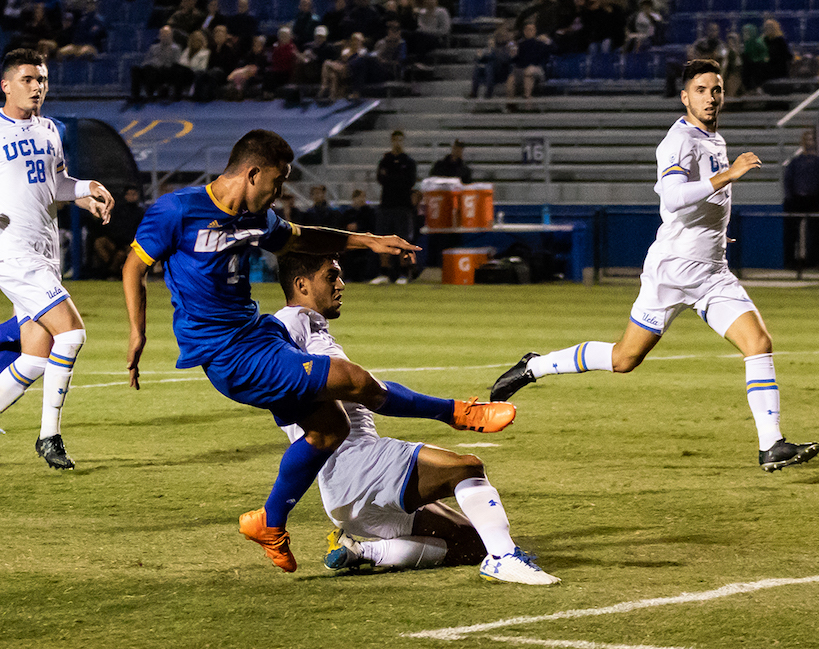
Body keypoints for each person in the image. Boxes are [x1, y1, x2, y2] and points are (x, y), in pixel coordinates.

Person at [122, 129, 517, 573]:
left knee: (331, 426)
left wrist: (368, 240)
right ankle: (457, 412)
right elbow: (135, 266)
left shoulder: (257, 218)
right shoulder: (176, 210)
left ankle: (269, 522)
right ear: (253, 173)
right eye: (277, 181)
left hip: (253, 334)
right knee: (351, 380)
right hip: (225, 352)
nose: (279, 192)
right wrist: (138, 332)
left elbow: (303, 237)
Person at [491, 59, 819, 474]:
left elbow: (701, 206)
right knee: (624, 359)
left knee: (758, 342)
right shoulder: (678, 140)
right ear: (685, 97)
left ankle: (771, 445)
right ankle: (534, 366)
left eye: (716, 89)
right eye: (701, 90)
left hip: (711, 271)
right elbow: (673, 197)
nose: (711, 97)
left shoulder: (714, 139)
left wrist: (714, 234)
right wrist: (731, 175)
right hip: (671, 272)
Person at [273, 252, 559, 584]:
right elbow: (373, 393)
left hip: (346, 487)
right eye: (331, 276)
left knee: (474, 543)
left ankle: (364, 552)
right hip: (357, 467)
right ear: (301, 284)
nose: (341, 285)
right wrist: (454, 411)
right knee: (466, 468)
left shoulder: (310, 327)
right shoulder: (289, 327)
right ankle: (504, 560)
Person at [0, 48, 115, 470]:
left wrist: (87, 191)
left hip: (45, 251)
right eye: (28, 79)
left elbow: (57, 183)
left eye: (42, 80)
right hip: (11, 251)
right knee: (72, 334)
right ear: (6, 84)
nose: (37, 86)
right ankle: (50, 436)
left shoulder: (50, 128)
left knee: (35, 353)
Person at [372, 129, 417, 285]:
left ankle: (403, 274)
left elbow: (409, 181)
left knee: (402, 240)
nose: (397, 144)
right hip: (386, 205)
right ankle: (384, 273)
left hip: (403, 206)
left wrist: (392, 178)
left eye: (400, 140)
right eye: (395, 140)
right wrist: (397, 178)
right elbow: (381, 179)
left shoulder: (409, 162)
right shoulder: (385, 160)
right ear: (391, 141)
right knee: (384, 239)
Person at [782, 129, 819, 268]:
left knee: (815, 232)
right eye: (806, 139)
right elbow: (788, 180)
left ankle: (814, 260)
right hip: (797, 199)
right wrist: (790, 197)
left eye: (811, 139)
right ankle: (791, 261)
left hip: (813, 198)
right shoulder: (796, 161)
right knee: (792, 233)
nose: (809, 142)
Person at [92, 186, 144, 279]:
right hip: (114, 241)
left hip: (130, 244)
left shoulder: (141, 213)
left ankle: (112, 273)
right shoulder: (117, 210)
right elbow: (110, 226)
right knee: (100, 242)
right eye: (129, 194)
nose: (131, 196)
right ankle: (111, 268)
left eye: (134, 194)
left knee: (121, 254)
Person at [131, 24, 181, 102]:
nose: (164, 36)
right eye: (162, 34)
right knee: (136, 69)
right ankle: (135, 96)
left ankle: (150, 93)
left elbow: (176, 64)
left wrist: (161, 65)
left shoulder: (176, 49)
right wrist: (150, 64)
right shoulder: (153, 47)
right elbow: (146, 61)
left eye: (166, 34)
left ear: (171, 36)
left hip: (164, 71)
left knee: (153, 71)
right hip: (151, 69)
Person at [506, 23, 553, 104]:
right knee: (511, 79)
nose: (529, 31)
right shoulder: (519, 45)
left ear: (535, 31)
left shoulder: (540, 43)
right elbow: (514, 61)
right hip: (521, 70)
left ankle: (528, 103)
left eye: (531, 29)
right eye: (527, 30)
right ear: (524, 31)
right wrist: (513, 55)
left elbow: (555, 49)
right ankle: (510, 106)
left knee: (529, 71)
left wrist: (548, 41)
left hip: (537, 70)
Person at [469, 24, 515, 100]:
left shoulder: (511, 44)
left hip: (503, 71)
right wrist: (480, 56)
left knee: (489, 65)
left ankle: (489, 92)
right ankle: (474, 92)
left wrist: (491, 53)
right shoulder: (493, 45)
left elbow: (507, 58)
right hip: (491, 72)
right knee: (478, 68)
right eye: (499, 33)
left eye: (503, 33)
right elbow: (483, 59)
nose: (501, 35)